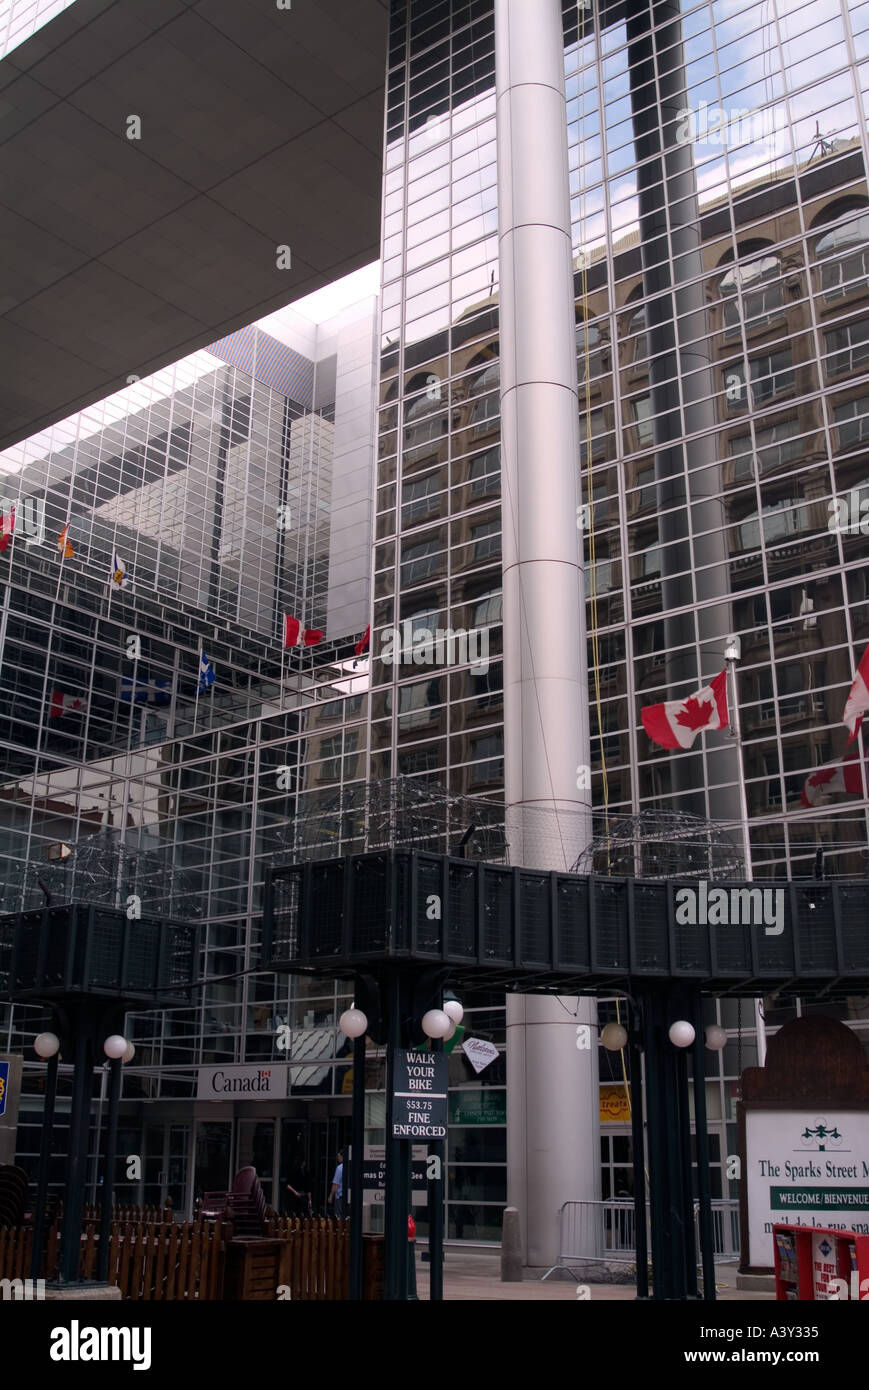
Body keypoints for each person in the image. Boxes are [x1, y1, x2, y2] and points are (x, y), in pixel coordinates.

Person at [329, 1151, 344, 1219]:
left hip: (340, 1197)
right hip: (348, 1198)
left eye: (339, 1156)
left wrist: (331, 1196)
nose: (338, 1158)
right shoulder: (352, 1166)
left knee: (339, 1217)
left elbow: (335, 1184)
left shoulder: (340, 1168)